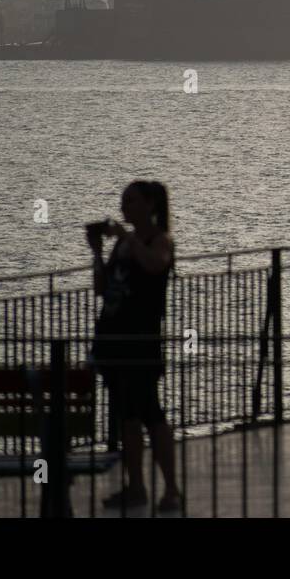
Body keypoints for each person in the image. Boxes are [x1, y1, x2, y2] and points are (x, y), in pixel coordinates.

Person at [88, 180, 182, 512]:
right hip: (114, 339)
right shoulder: (122, 247)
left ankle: (171, 488)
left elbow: (155, 264)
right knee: (126, 416)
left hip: (141, 340)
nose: (124, 207)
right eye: (123, 201)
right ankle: (137, 486)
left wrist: (126, 237)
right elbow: (102, 287)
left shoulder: (160, 241)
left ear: (149, 205)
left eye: (131, 201)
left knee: (151, 414)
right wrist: (98, 253)